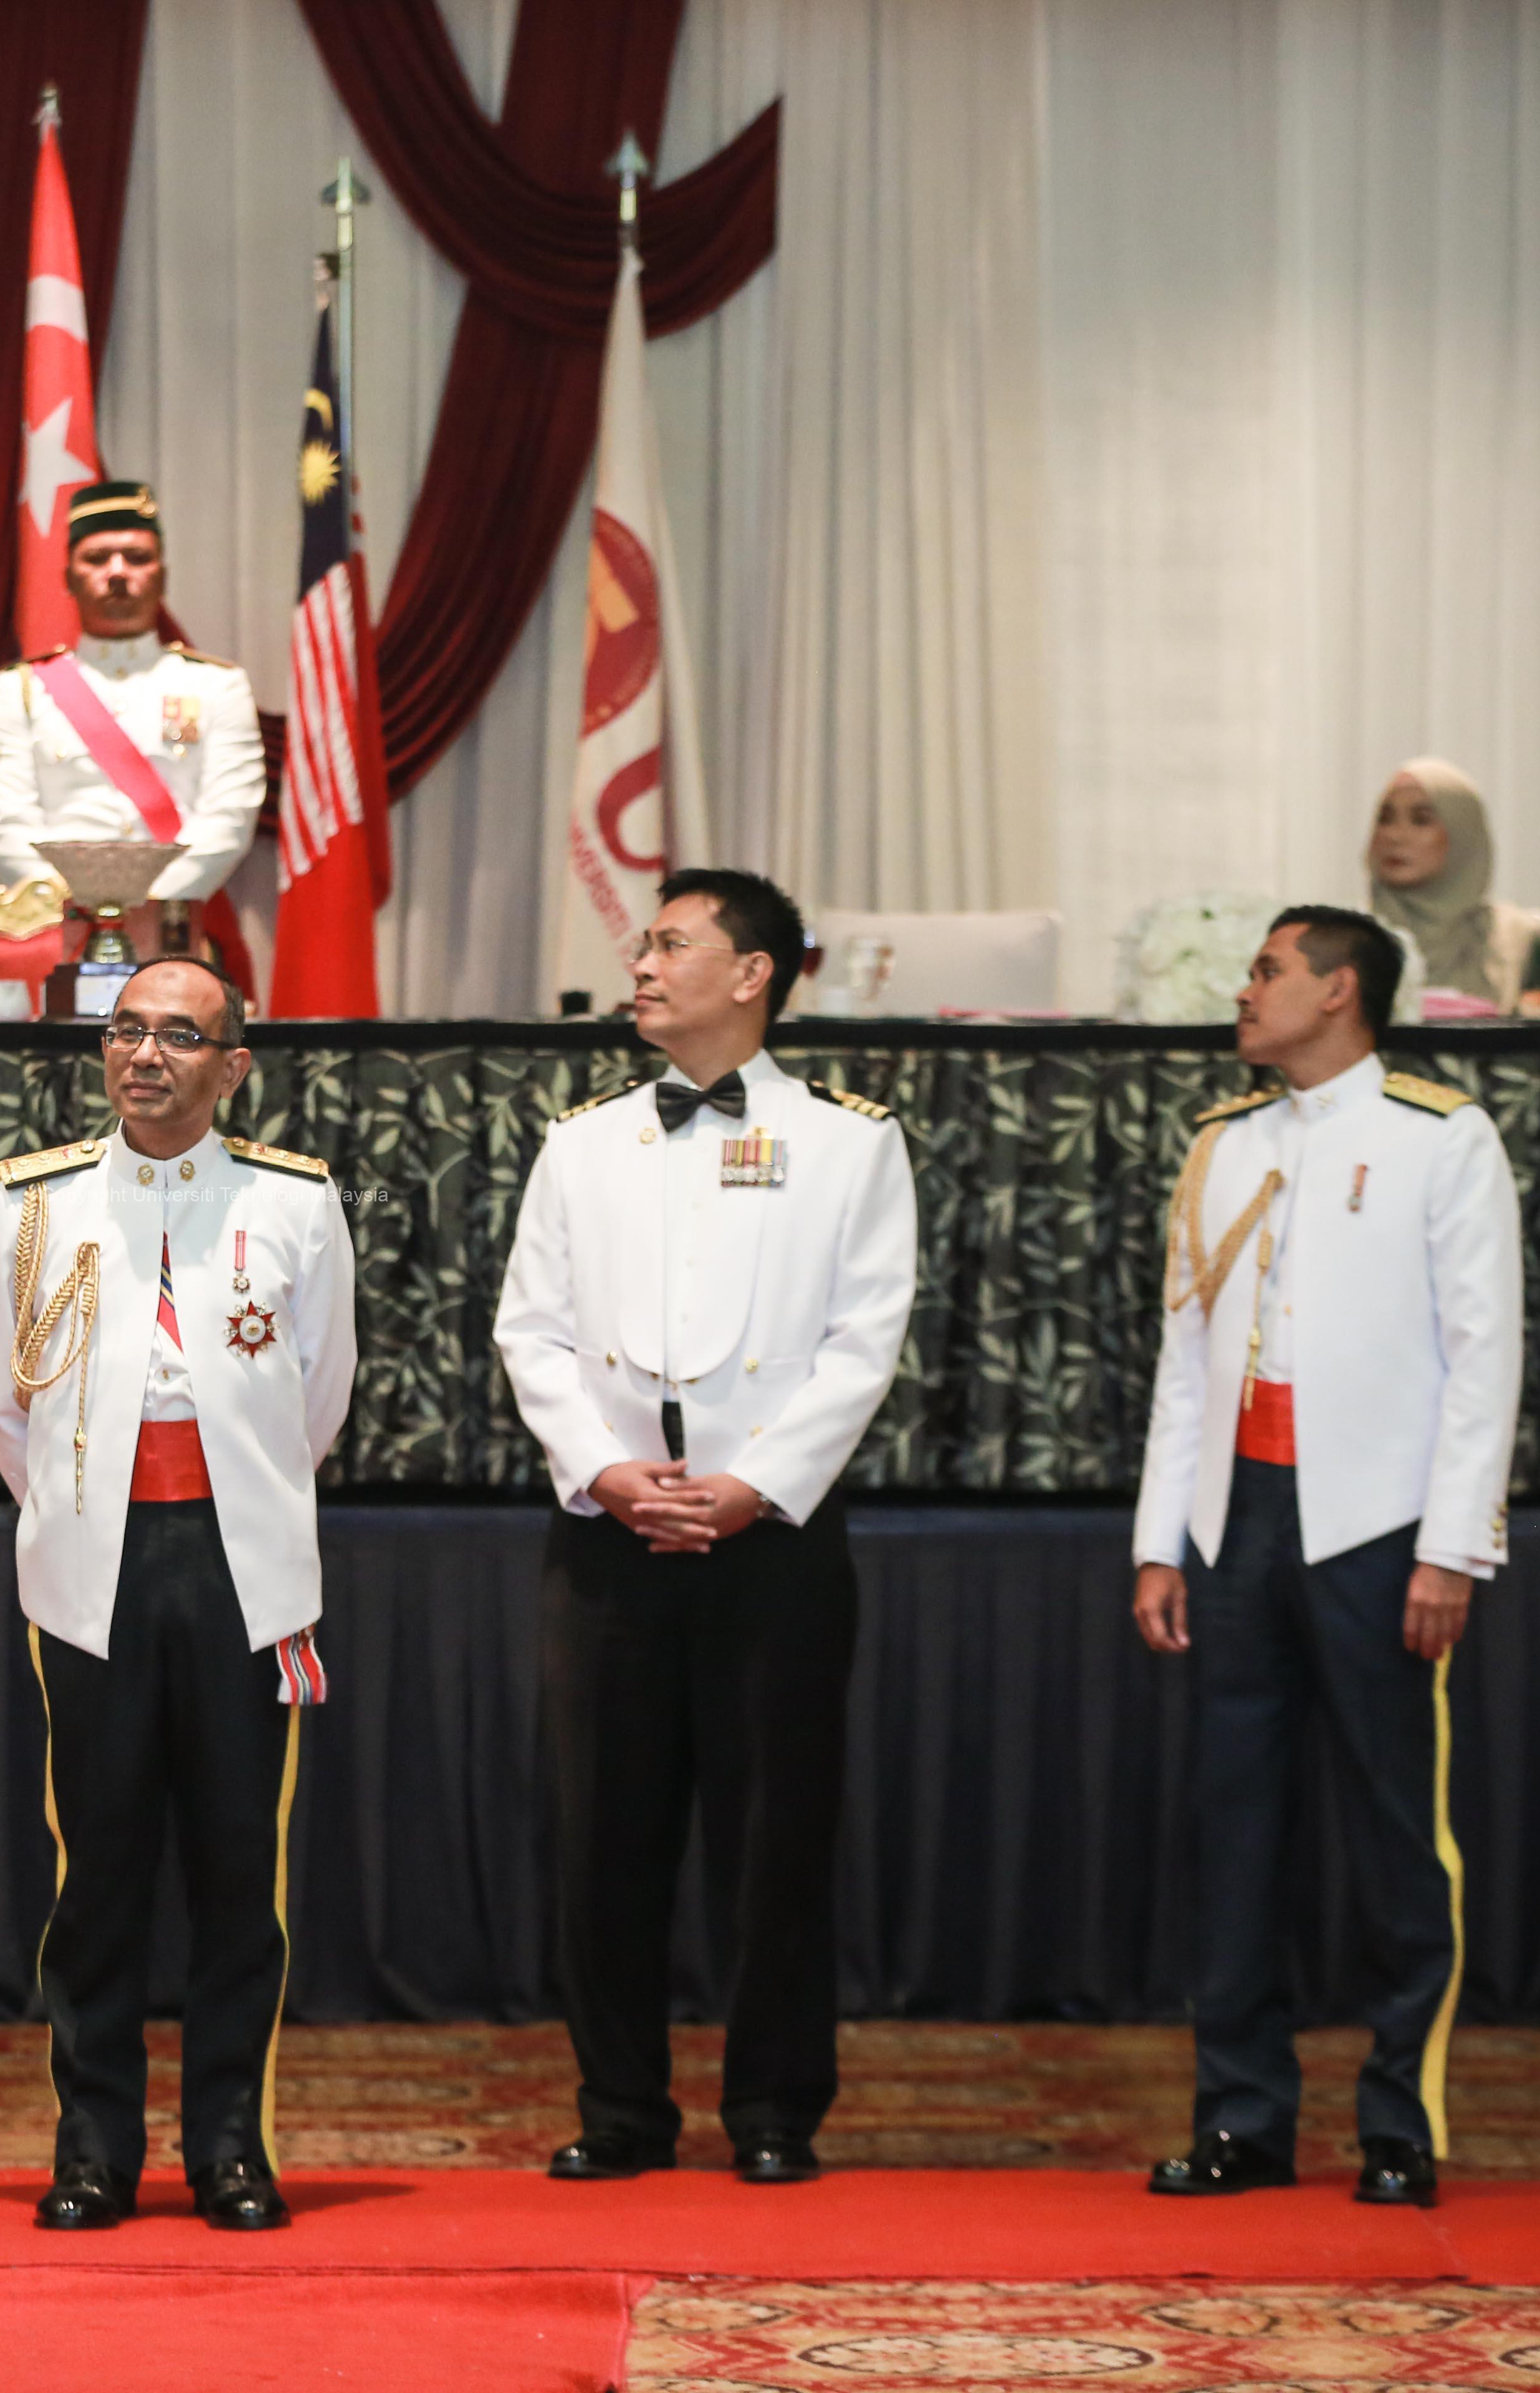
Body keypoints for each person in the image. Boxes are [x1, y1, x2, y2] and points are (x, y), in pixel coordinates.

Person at [490, 867, 916, 2186]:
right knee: (602, 1841)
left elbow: (864, 1340)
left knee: (775, 1839)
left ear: (752, 974)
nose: (643, 963)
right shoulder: (582, 1141)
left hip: (770, 1539)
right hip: (611, 1533)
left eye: (672, 943)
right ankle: (619, 2108)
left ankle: (776, 2110)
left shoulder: (851, 1143)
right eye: (644, 944)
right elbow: (530, 1331)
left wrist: (756, 1485)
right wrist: (607, 1471)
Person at [1130, 904, 1522, 2210]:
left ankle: (1401, 2123)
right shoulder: (1225, 1143)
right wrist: (1163, 1540)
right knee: (1234, 1830)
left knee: (1399, 1833)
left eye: (1269, 971)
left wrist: (1452, 1547)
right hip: (1237, 1517)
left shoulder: (1440, 1136)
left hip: (1377, 1525)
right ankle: (1243, 2119)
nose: (1246, 993)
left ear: (1341, 991)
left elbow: (1485, 1361)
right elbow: (1186, 1357)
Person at [0, 956, 354, 2232]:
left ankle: (230, 2148)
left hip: (242, 1565)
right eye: (125, 1031)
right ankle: (95, 2148)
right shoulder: (34, 1201)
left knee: (240, 1871)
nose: (143, 1055)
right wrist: (87, 1506)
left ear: (232, 1066)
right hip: (97, 1565)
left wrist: (231, 1494)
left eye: (178, 1036)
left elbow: (319, 1399)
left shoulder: (295, 1202)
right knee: (101, 1869)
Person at [0, 479, 263, 975]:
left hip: (172, 928)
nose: (118, 573)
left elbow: (228, 818)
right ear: (68, 577)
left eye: (137, 558)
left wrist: (144, 909)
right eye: (98, 558)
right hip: (54, 931)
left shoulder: (218, 688)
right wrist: (79, 910)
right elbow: (2, 824)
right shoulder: (20, 690)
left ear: (163, 576)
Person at [1365, 758, 1540, 1017]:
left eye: (1421, 820)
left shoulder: (1517, 938)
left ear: (1463, 834)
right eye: (1385, 819)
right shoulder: (1346, 941)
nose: (1394, 836)